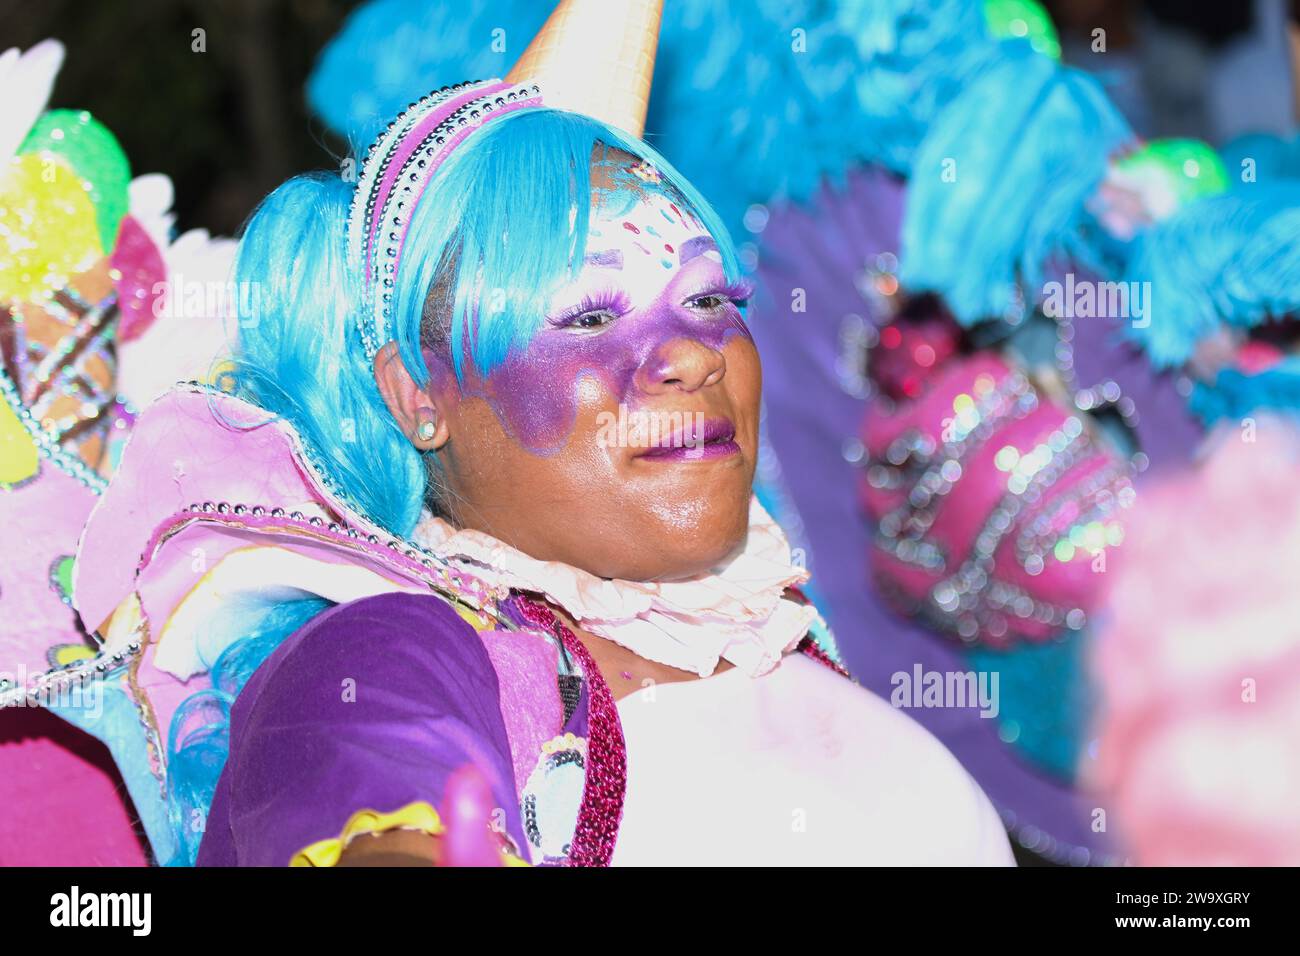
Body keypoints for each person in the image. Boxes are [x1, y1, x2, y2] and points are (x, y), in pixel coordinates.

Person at [66, 0, 1014, 867]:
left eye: (708, 298)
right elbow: (379, 802)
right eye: (591, 318)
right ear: (416, 395)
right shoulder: (383, 656)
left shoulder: (801, 651)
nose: (692, 356)